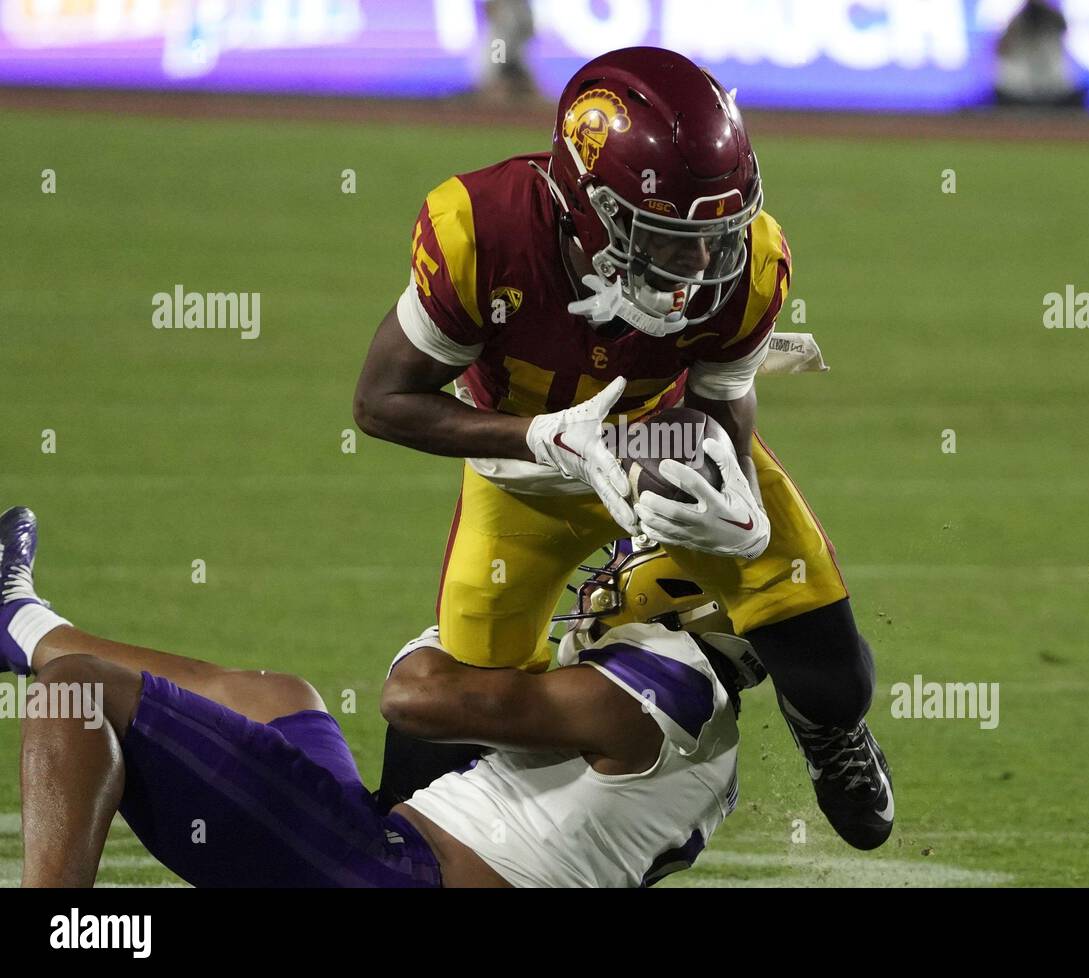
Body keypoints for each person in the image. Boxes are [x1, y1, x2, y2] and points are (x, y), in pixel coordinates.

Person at [353, 46, 892, 848]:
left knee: (834, 673)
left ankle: (828, 732)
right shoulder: (480, 232)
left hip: (664, 450)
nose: (705, 262)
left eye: (718, 233)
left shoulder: (751, 266)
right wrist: (538, 435)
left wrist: (731, 492)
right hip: (525, 478)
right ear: (589, 206)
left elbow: (718, 403)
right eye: (671, 237)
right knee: (441, 739)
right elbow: (380, 402)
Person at [0, 506, 749, 887]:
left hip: (391, 874)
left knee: (80, 693)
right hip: (394, 851)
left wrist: (485, 607)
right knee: (279, 696)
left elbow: (412, 699)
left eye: (631, 564)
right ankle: (20, 622)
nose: (604, 583)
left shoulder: (670, 678)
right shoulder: (697, 710)